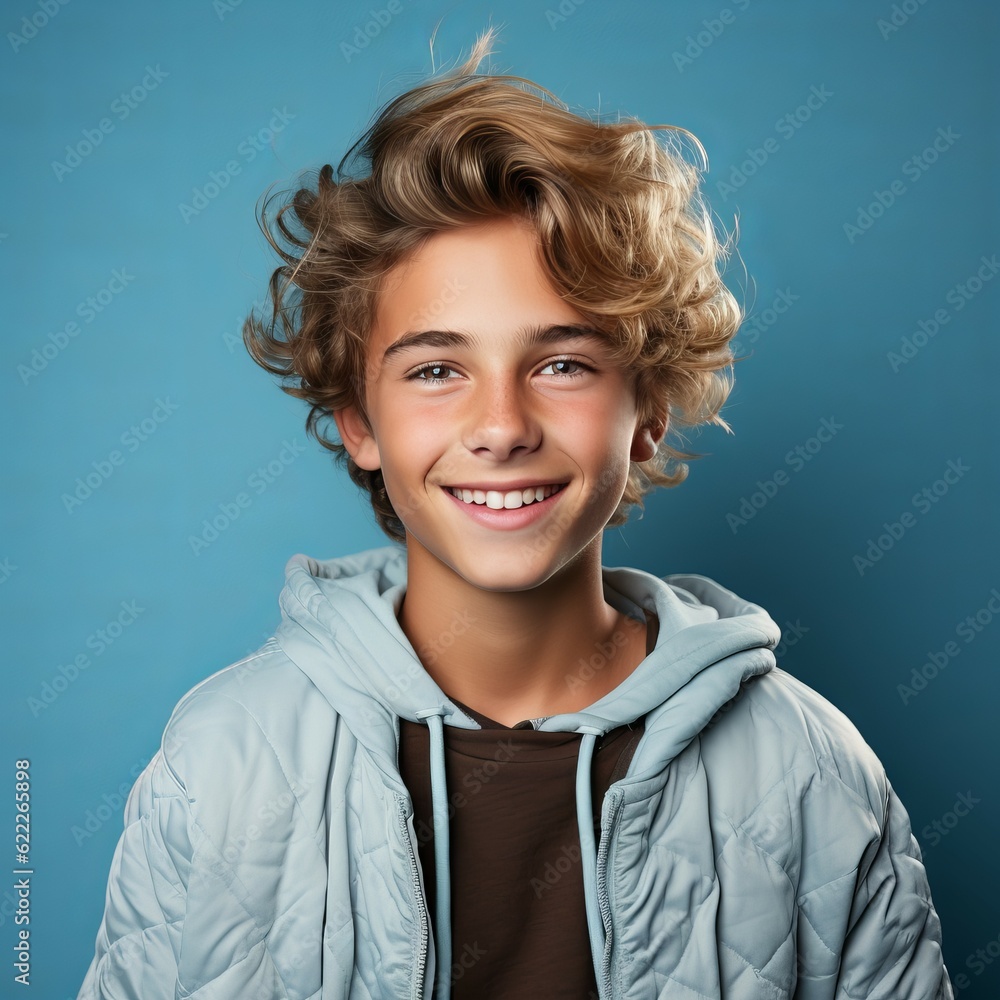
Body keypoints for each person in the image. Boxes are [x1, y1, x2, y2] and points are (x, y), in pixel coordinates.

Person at [79, 28, 953, 1000]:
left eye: (562, 364)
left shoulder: (809, 771)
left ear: (648, 413)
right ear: (358, 420)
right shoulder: (222, 757)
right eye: (436, 369)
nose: (500, 426)